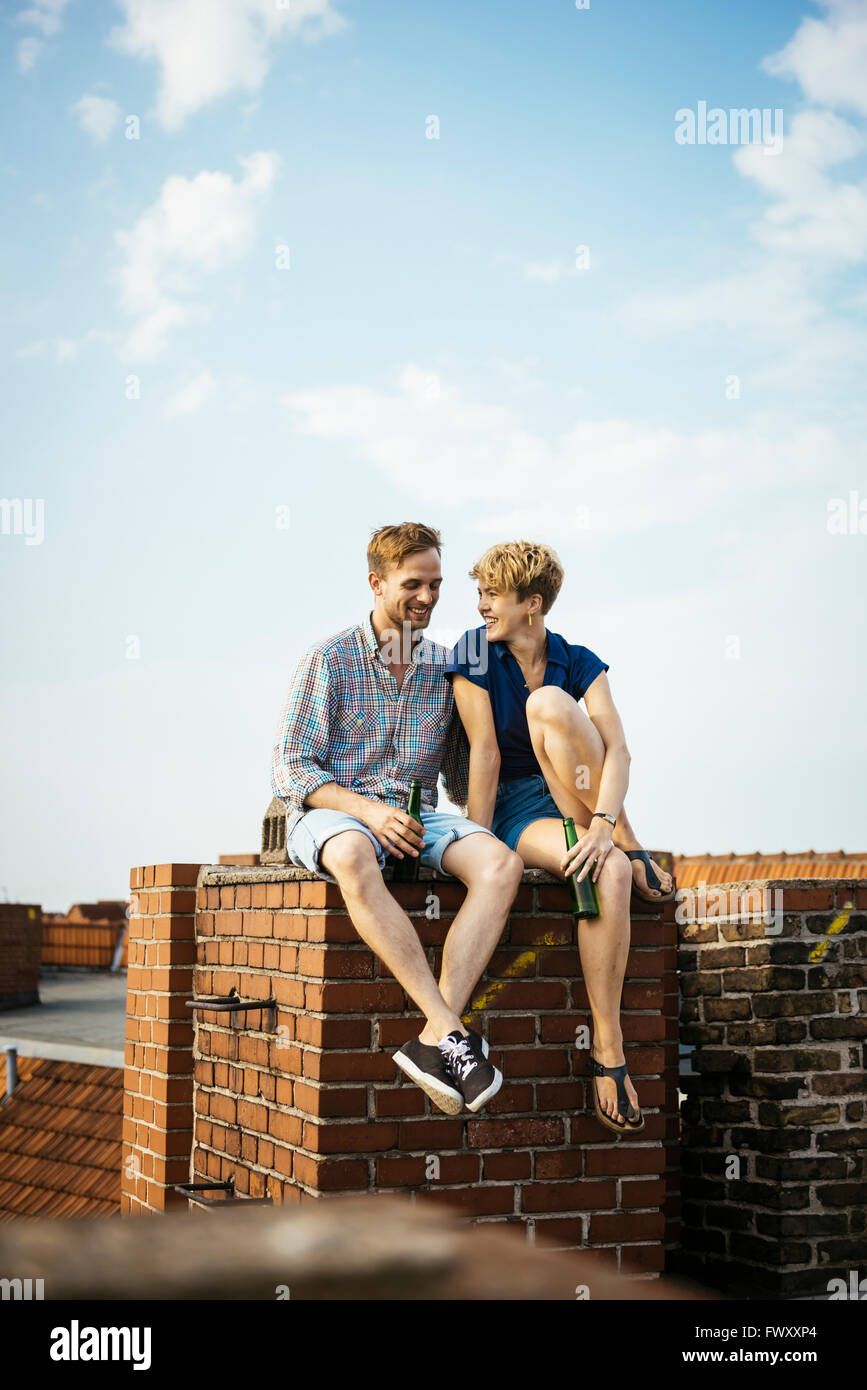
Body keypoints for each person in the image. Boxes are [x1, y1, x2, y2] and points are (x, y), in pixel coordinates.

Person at [270, 521, 524, 1117]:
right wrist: (365, 811)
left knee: (500, 864)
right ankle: (451, 1031)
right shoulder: (327, 659)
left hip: (420, 819)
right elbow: (291, 771)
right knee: (355, 854)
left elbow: (466, 772)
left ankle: (438, 1040)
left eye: (436, 584)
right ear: (376, 583)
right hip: (334, 813)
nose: (429, 597)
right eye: (414, 583)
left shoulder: (448, 666)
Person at [444, 540, 675, 1135]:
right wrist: (475, 840)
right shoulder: (475, 654)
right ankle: (610, 1050)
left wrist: (602, 823)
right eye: (480, 594)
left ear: (534, 604)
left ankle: (608, 1045)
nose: (481, 607)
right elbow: (486, 755)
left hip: (583, 799)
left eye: (493, 595)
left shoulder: (577, 659)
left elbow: (618, 749)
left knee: (552, 704)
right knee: (613, 872)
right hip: (521, 807)